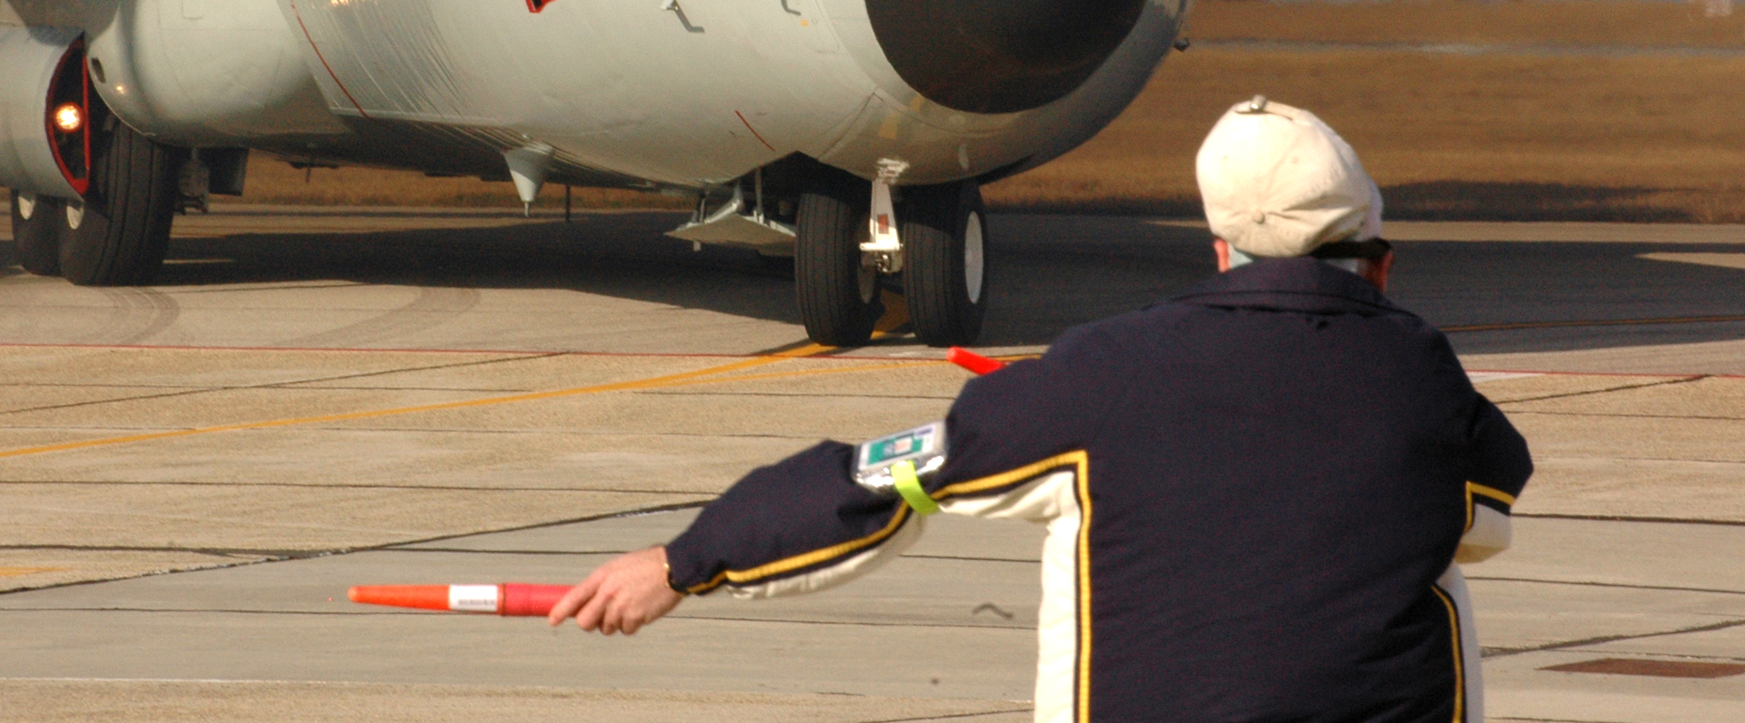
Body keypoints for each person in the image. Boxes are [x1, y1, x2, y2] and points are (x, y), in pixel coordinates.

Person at [552, 96, 1533, 723]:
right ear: (1378, 263)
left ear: (1219, 249)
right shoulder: (1421, 377)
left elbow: (884, 482)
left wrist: (683, 561)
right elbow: (1486, 513)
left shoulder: (1097, 376)